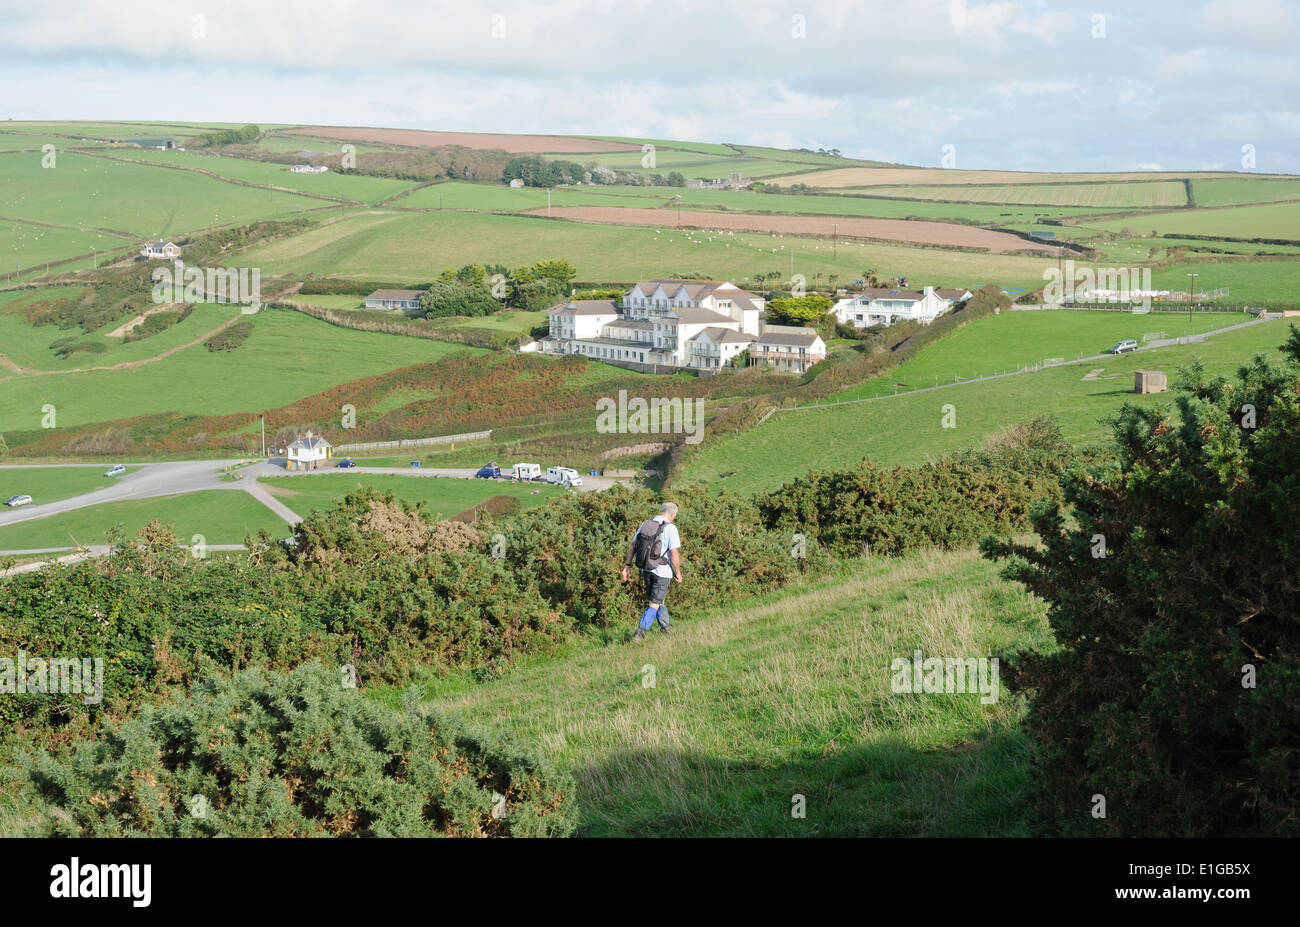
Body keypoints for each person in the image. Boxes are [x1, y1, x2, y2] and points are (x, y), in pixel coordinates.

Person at [621, 501, 682, 641]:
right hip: (663, 572)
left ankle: (665, 628)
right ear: (672, 515)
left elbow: (632, 545)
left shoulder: (646, 524)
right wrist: (678, 572)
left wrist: (627, 565)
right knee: (654, 602)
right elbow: (674, 554)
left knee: (659, 599)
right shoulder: (671, 528)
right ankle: (640, 632)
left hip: (646, 569)